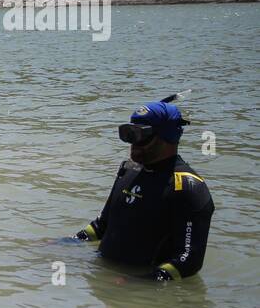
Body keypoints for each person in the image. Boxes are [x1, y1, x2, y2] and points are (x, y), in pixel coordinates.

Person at [75, 100, 214, 280]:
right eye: (129, 133)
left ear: (167, 136)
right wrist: (64, 243)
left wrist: (139, 284)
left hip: (142, 292)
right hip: (105, 286)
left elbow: (189, 260)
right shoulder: (128, 170)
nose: (133, 142)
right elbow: (101, 226)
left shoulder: (188, 187)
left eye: (141, 135)